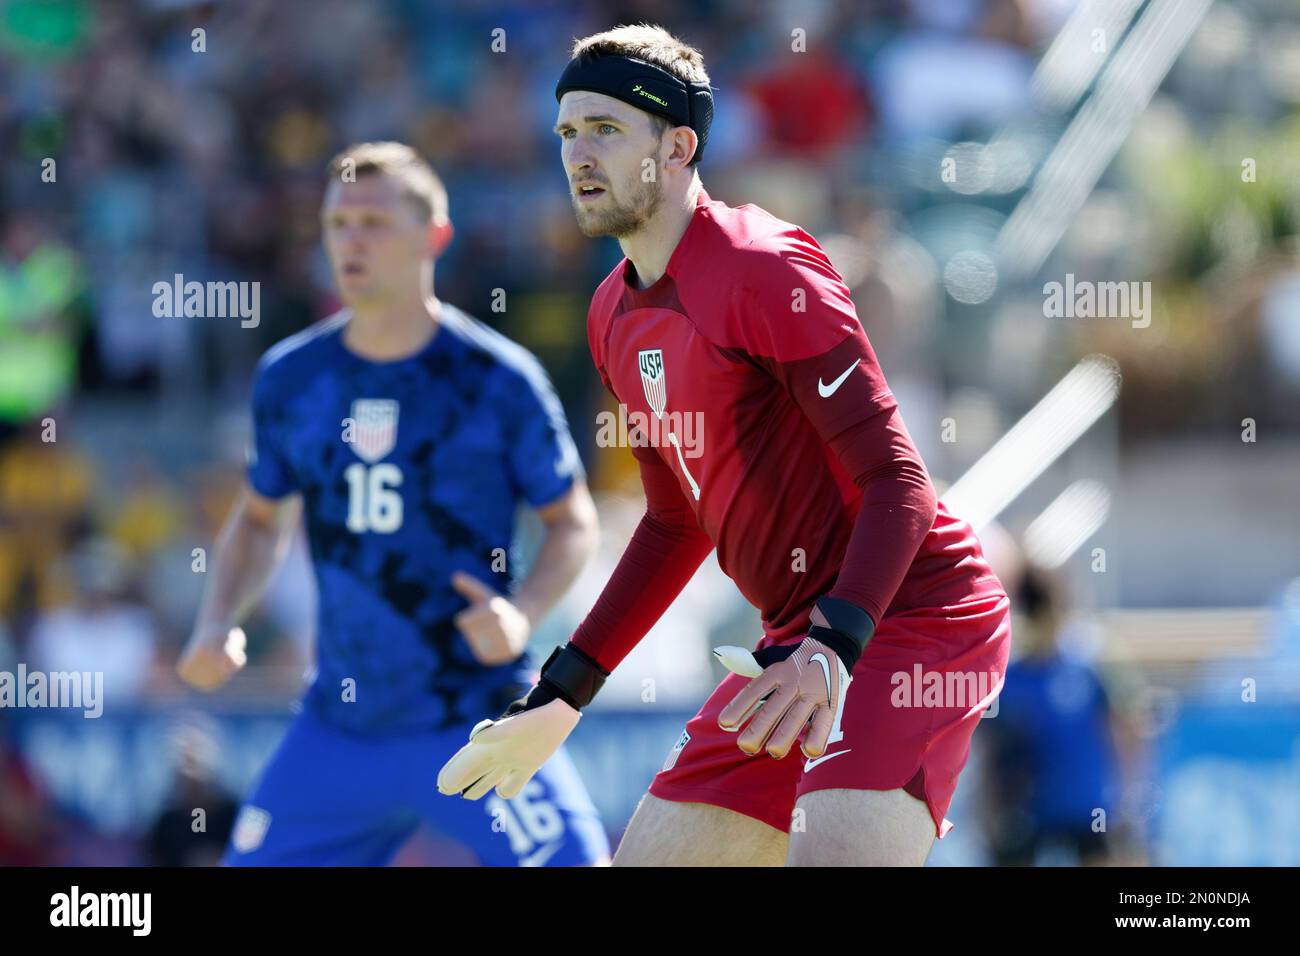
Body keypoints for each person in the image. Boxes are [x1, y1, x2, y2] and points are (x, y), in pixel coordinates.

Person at [439, 25, 1011, 867]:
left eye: (605, 129)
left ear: (678, 146)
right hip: (793, 645)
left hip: (910, 618)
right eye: (567, 132)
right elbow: (676, 525)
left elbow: (899, 481)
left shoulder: (763, 266)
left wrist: (834, 647)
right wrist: (562, 694)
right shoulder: (610, 315)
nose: (578, 154)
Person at [178, 142, 609, 867]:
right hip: (340, 727)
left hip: (476, 716)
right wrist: (218, 620)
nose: (350, 239)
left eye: (374, 220)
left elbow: (572, 522)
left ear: (433, 235)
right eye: (337, 222)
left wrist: (521, 614)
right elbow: (257, 519)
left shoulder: (498, 379)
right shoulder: (293, 378)